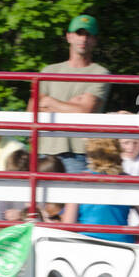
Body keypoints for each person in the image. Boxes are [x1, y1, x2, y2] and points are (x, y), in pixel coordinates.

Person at [28, 14, 110, 172]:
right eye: (79, 33)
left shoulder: (100, 73)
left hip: (79, 154)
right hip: (44, 152)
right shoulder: (48, 71)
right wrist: (73, 105)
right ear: (69, 36)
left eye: (89, 35)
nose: (83, 39)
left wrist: (49, 102)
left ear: (95, 40)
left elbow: (84, 111)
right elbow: (32, 111)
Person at [67, 138, 135, 242]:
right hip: (122, 243)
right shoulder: (130, 180)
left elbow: (68, 222)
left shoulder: (80, 179)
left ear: (90, 155)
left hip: (86, 241)